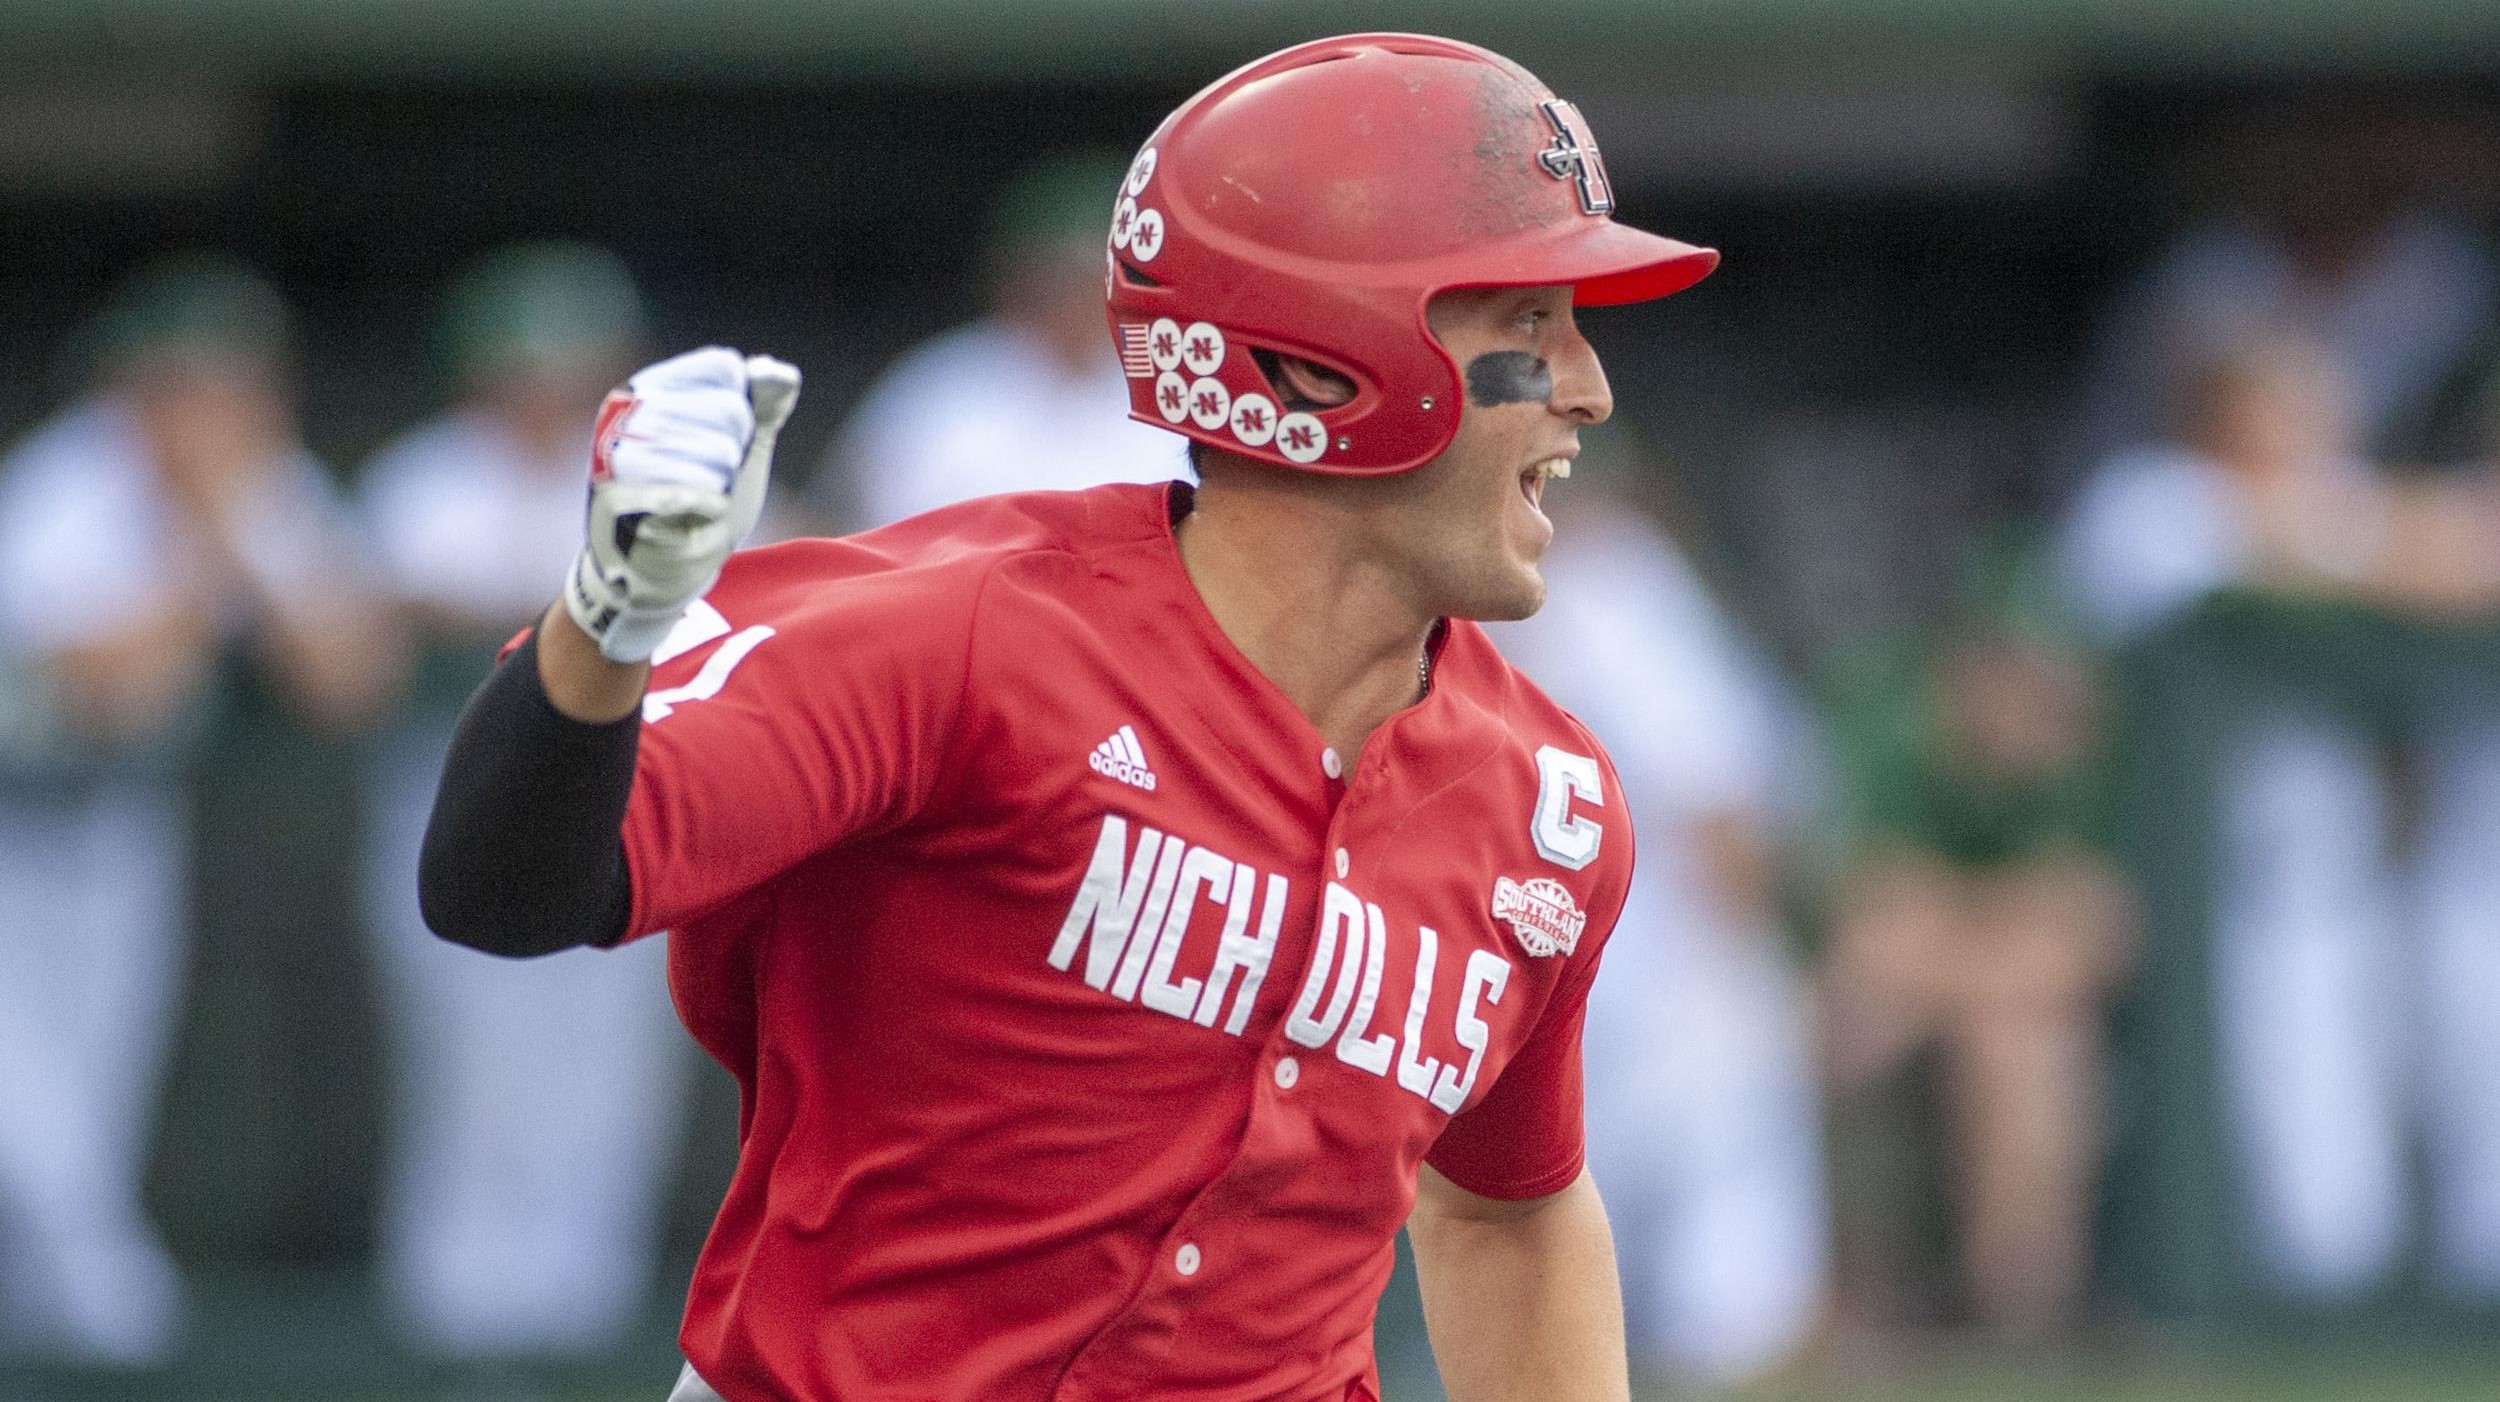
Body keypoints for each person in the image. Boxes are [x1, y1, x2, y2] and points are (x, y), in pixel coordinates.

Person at [419, 33, 1716, 1402]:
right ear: (1327, 357)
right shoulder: (962, 636)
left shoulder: (1547, 802)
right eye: (1530, 321)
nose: (1588, 386)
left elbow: (1509, 1207)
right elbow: (504, 889)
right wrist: (607, 624)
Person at [0, 256, 400, 1363]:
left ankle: (67, 1352)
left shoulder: (254, 485)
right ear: (132, 388)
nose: (226, 409)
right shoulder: (66, 482)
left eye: (242, 384)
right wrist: (201, 544)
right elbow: (108, 692)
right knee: (29, 1137)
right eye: (193, 383)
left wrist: (228, 524)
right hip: (11, 839)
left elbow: (350, 677)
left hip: (114, 841)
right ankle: (129, 1344)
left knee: (86, 1129)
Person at [356, 243, 691, 1360]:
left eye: (579, 361)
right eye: (532, 362)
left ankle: (583, 1341)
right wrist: (590, 609)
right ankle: (460, 1347)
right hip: (451, 808)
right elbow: (403, 615)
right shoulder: (429, 474)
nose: (553, 384)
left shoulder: (668, 469)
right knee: (476, 1085)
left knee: (611, 1088)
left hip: (628, 810)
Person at [1486, 467, 1830, 1386]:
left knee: (1661, 1299)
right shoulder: (1614, 583)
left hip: (1577, 974)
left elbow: (1722, 806)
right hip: (1640, 976)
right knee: (1711, 1309)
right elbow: (1724, 806)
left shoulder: (1583, 582)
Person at [811, 152, 1190, 531]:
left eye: (1095, 274)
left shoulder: (1171, 387)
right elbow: (841, 529)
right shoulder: (938, 388)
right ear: (1015, 276)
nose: (1074, 295)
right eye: (1056, 273)